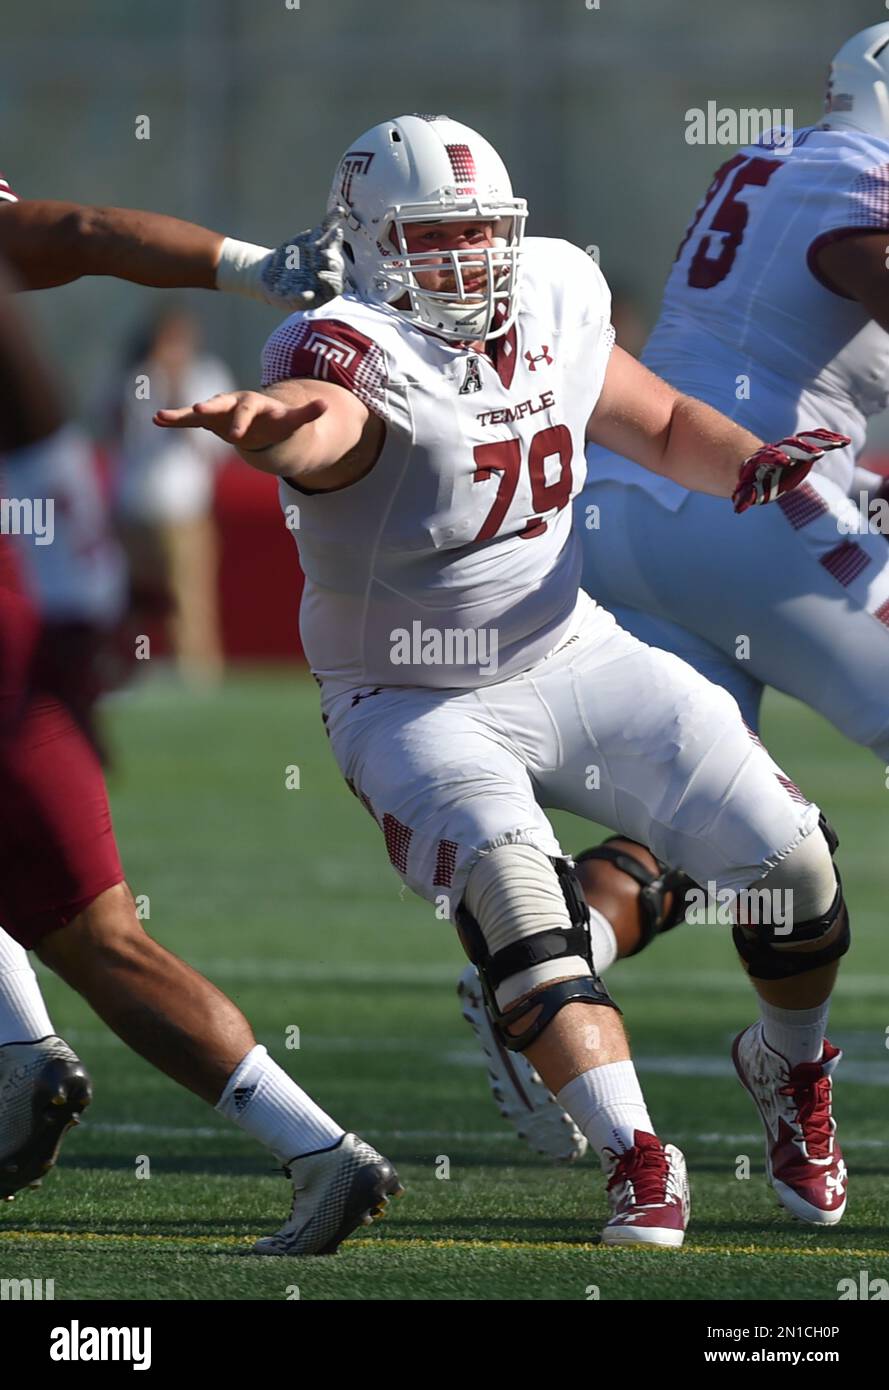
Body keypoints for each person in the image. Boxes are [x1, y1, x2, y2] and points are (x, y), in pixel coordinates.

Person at [157, 113, 851, 1244]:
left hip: (568, 649)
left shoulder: (555, 291)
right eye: (434, 239)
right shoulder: (344, 346)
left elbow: (662, 418)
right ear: (371, 245)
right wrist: (269, 426)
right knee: (527, 922)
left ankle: (786, 1069)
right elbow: (326, 426)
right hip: (410, 699)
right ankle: (636, 1153)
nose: (468, 259)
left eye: (481, 232)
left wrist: (749, 461)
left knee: (794, 865)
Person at [463, 21, 889, 1173]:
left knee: (714, 809)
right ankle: (783, 1058)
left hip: (633, 507)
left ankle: (555, 966)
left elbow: (792, 351)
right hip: (750, 508)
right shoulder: (857, 173)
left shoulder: (782, 158)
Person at [0, 181, 405, 1258]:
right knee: (96, 933)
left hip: (10, 622)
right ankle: (25, 1053)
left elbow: (60, 251)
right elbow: (70, 236)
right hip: (25, 613)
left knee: (100, 938)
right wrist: (248, 263)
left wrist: (76, 588)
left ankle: (316, 1151)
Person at [105, 305, 234, 687]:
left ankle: (195, 674)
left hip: (182, 508)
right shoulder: (132, 376)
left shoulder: (205, 376)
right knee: (130, 597)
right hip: (132, 505)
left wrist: (178, 388)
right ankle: (129, 668)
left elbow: (211, 446)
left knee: (188, 597)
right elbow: (118, 433)